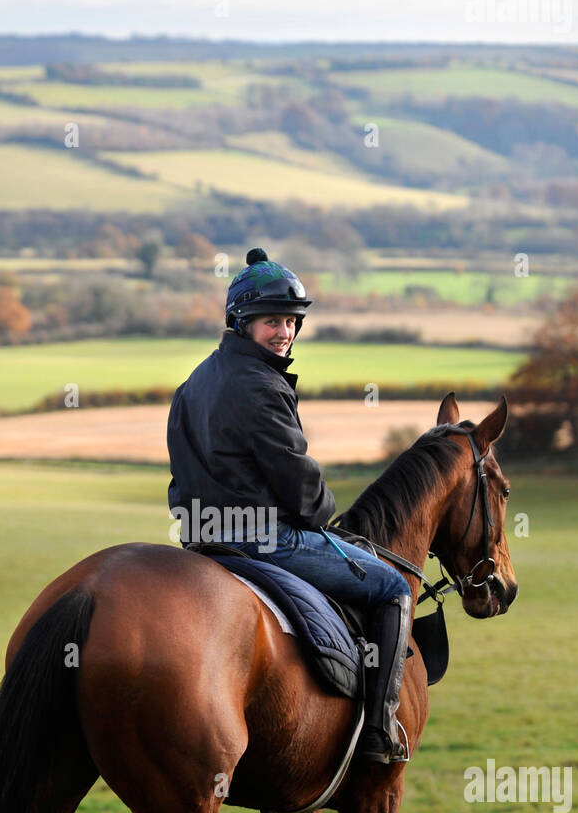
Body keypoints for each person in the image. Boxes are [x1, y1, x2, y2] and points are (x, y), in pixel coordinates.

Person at [166, 246, 412, 763]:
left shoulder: (192, 384)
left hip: (198, 538)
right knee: (391, 588)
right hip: (264, 538)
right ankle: (380, 732)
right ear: (240, 322)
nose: (284, 332)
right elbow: (301, 489)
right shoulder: (261, 384)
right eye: (271, 321)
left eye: (291, 321)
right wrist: (324, 511)